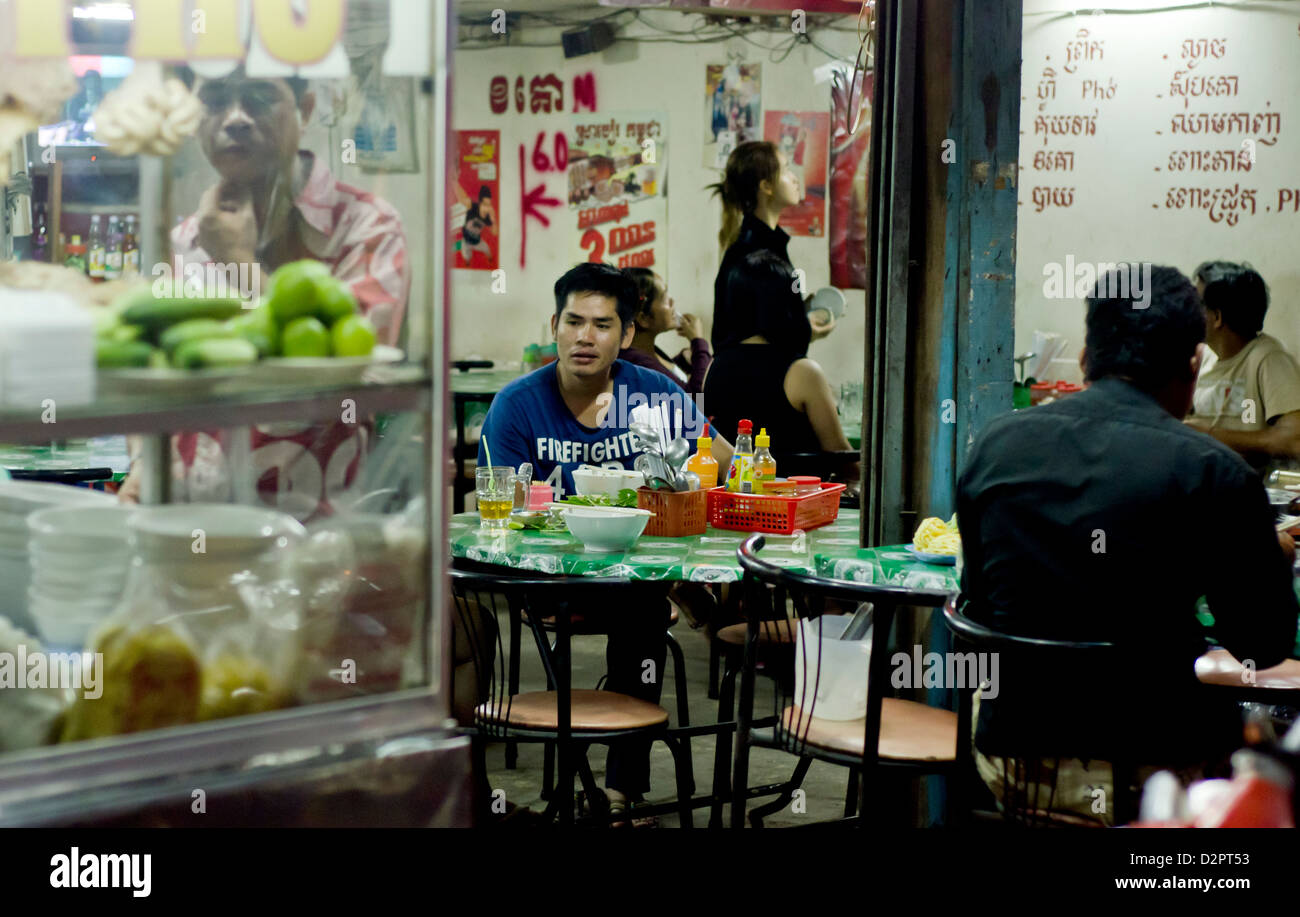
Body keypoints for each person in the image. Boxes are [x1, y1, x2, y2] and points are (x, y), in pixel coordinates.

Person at [956, 264, 1298, 825]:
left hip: (1012, 758)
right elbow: (1262, 646)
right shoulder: (1215, 474)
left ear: (1087, 358)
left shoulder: (996, 445)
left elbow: (980, 601)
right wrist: (1266, 559)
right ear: (1193, 365)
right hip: (1153, 770)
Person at [477, 263, 732, 821]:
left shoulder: (654, 393)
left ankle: (619, 791)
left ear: (628, 335)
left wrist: (696, 476)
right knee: (643, 601)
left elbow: (724, 463)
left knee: (640, 605)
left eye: (601, 324)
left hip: (632, 578)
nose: (585, 337)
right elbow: (493, 510)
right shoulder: (517, 405)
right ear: (554, 325)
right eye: (573, 322)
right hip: (546, 581)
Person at [120, 69, 409, 518]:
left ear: (306, 109)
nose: (235, 118)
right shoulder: (182, 242)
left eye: (259, 97)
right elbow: (154, 381)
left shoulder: (365, 226)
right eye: (215, 99)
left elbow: (353, 372)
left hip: (314, 539)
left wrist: (237, 261)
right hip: (193, 528)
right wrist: (144, 461)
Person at [702, 251, 855, 480]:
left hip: (734, 501)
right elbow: (841, 457)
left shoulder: (714, 366)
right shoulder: (803, 372)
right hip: (793, 503)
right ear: (788, 305)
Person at [708, 141, 835, 352]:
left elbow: (770, 322)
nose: (795, 178)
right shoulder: (756, 256)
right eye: (786, 169)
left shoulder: (767, 244)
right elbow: (766, 336)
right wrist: (805, 330)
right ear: (766, 186)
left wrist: (801, 315)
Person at [1186, 263, 1300, 474]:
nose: (1189, 310)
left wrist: (1209, 434)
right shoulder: (1202, 357)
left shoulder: (1268, 357)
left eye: (1197, 304)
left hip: (1251, 489)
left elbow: (1294, 440)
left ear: (1217, 317)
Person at [617, 268, 712, 395]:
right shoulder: (638, 364)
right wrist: (698, 342)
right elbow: (696, 400)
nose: (672, 301)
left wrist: (682, 360)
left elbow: (665, 377)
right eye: (665, 298)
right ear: (643, 318)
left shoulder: (641, 351)